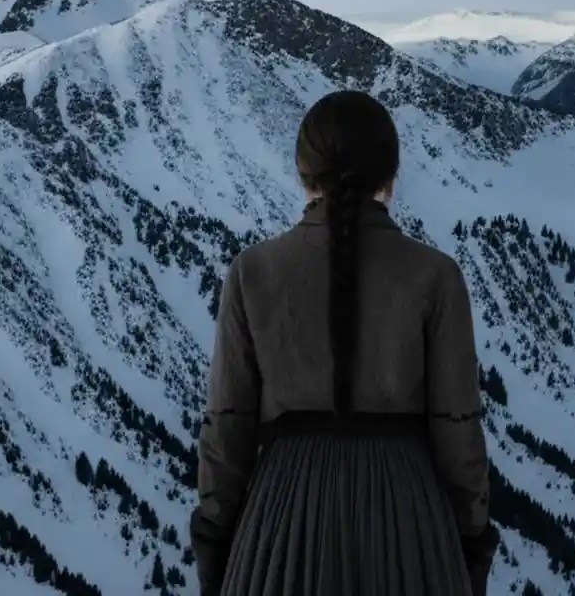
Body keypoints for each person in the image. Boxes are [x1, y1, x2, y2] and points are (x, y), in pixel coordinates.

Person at [190, 90, 499, 596]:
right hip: (409, 524)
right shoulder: (436, 276)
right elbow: (457, 427)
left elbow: (228, 428)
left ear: (303, 175)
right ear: (390, 177)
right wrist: (469, 540)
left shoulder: (252, 273)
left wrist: (216, 543)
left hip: (281, 526)